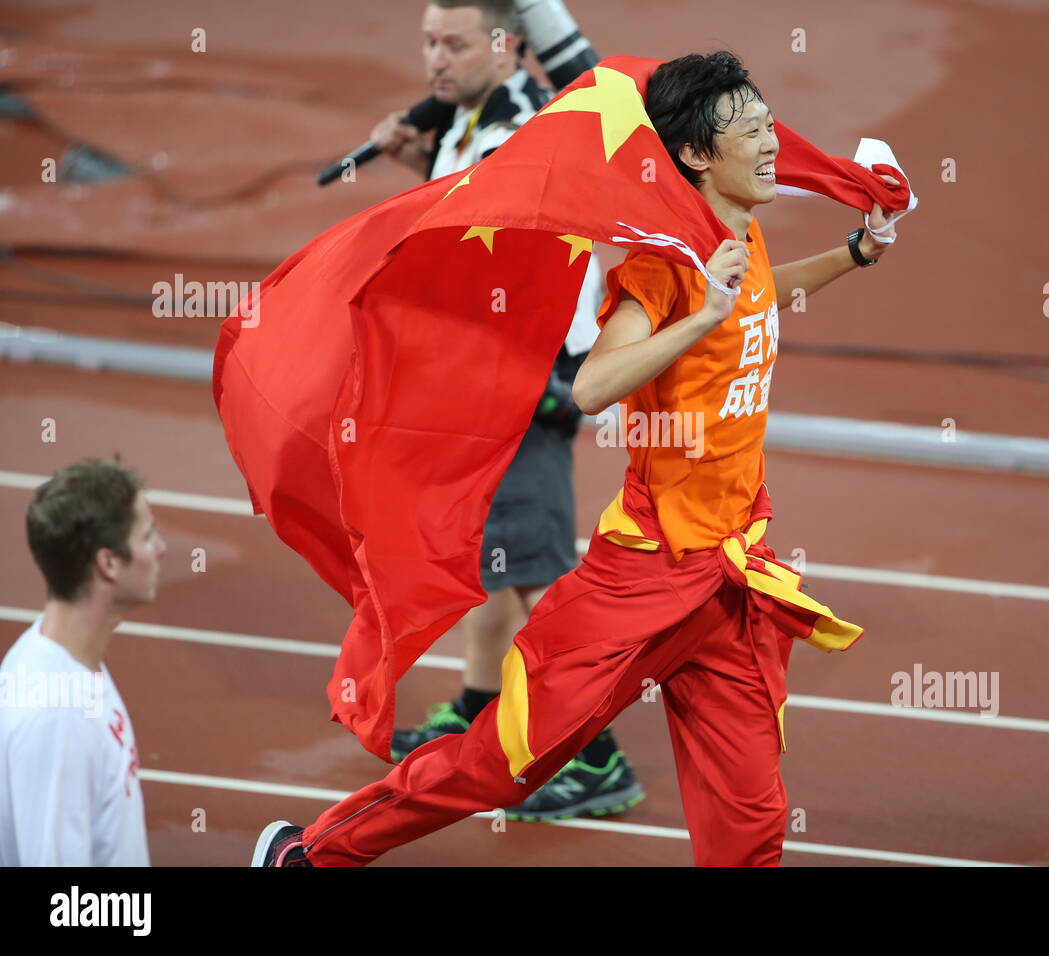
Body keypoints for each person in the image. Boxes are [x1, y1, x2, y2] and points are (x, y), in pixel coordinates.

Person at [253, 49, 898, 868]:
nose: (776, 143)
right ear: (697, 154)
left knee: (751, 822)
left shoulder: (742, 236)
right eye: (755, 130)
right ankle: (309, 852)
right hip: (640, 580)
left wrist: (855, 252)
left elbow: (765, 297)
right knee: (501, 764)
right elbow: (593, 386)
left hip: (732, 580)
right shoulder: (663, 266)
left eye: (771, 123)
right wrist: (702, 317)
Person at [367, 0, 642, 822]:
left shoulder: (526, 125)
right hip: (482, 380)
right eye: (427, 41)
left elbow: (510, 244)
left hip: (529, 379)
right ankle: (483, 709)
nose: (435, 59)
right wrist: (423, 169)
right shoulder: (467, 121)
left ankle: (596, 759)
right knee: (491, 561)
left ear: (504, 43)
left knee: (539, 582)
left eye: (453, 42)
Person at [0, 458, 165, 866]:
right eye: (147, 536)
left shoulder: (67, 659)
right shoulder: (58, 718)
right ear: (108, 563)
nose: (160, 548)